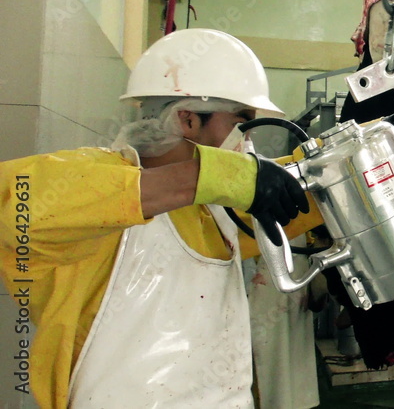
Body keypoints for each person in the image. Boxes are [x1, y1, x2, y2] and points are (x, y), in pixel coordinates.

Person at [0, 28, 316, 408]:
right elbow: (17, 207)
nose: (247, 142)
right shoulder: (101, 180)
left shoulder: (211, 211)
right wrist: (215, 176)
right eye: (241, 122)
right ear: (187, 119)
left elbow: (296, 199)